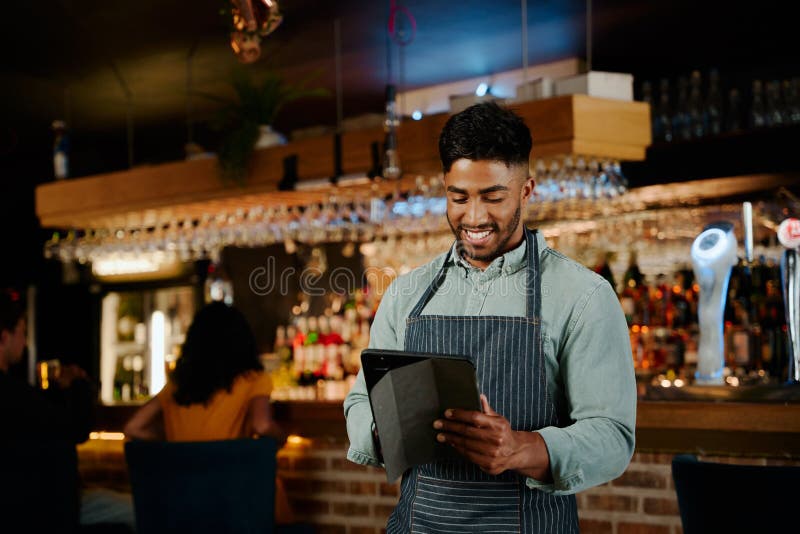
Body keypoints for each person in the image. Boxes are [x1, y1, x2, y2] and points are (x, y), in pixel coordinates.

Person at [343, 102, 636, 532]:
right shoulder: (406, 295)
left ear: (526, 190)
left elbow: (612, 436)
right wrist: (382, 430)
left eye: (493, 197)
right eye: (458, 198)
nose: (474, 217)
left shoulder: (584, 297)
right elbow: (360, 400)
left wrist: (520, 448)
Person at [124, 301, 294, 524]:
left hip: (181, 506)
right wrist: (282, 438)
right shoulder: (253, 380)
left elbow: (133, 427)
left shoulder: (176, 385)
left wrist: (174, 444)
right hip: (235, 505)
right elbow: (262, 426)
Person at [0, 287, 135, 532]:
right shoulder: (12, 393)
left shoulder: (17, 396)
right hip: (41, 509)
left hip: (26, 508)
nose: (25, 341)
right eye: (22, 331)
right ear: (3, 337)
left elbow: (42, 422)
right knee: (141, 509)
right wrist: (78, 385)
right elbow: (76, 428)